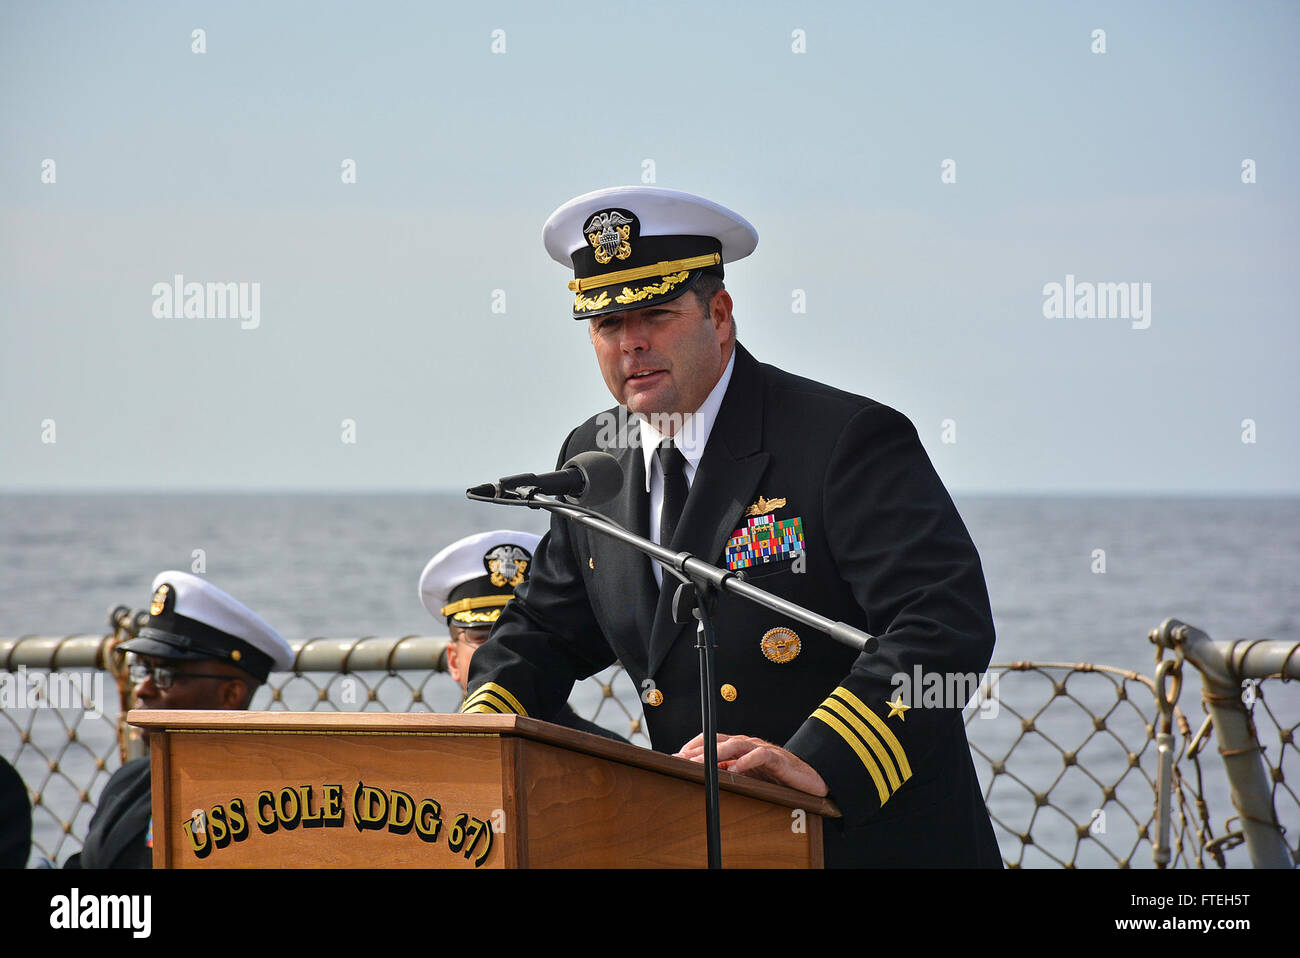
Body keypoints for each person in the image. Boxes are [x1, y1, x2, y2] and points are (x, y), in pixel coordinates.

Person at [462, 185, 1002, 867]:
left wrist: (820, 762)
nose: (631, 343)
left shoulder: (843, 439)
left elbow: (944, 622)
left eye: (655, 313)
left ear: (719, 315)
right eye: (606, 325)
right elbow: (543, 632)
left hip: (865, 841)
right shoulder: (594, 458)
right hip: (711, 846)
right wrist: (475, 733)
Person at [64, 570, 293, 868]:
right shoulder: (130, 784)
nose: (143, 688)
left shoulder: (273, 806)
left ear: (230, 695)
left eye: (166, 675)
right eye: (144, 670)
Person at [419, 531, 627, 742]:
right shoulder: (436, 752)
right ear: (453, 660)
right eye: (482, 637)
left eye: (522, 639)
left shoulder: (616, 761)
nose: (500, 650)